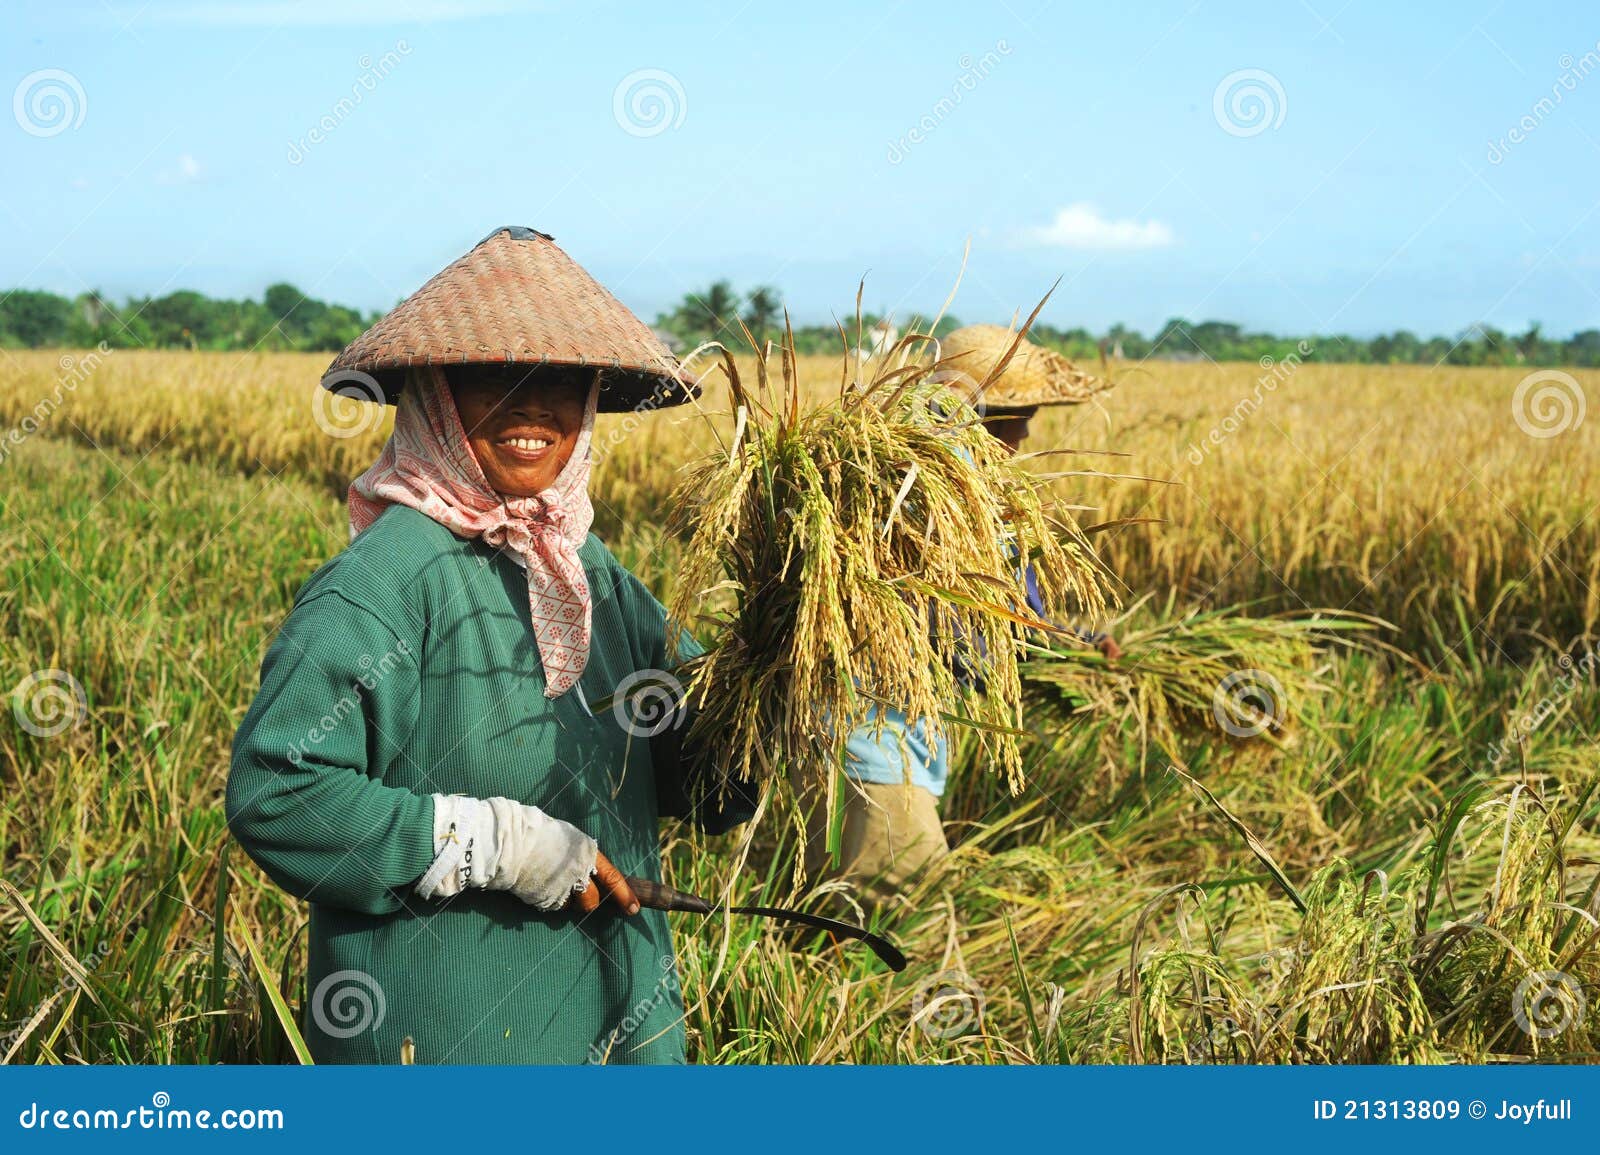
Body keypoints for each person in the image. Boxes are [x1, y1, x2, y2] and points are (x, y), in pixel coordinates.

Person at [227, 226, 749, 1065]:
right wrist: (490, 845)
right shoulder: (387, 580)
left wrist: (778, 689)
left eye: (562, 383)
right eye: (496, 375)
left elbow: (699, 780)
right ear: (434, 395)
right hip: (440, 1037)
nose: (533, 405)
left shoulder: (595, 578)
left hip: (618, 1019)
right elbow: (278, 792)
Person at [800, 324, 1120, 908]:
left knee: (829, 929)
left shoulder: (911, 481)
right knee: (913, 922)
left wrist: (1074, 642)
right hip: (875, 747)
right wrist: (1056, 645)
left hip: (835, 740)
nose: (1028, 433)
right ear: (987, 415)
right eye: (1024, 415)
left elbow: (1001, 619)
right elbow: (986, 623)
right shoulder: (932, 501)